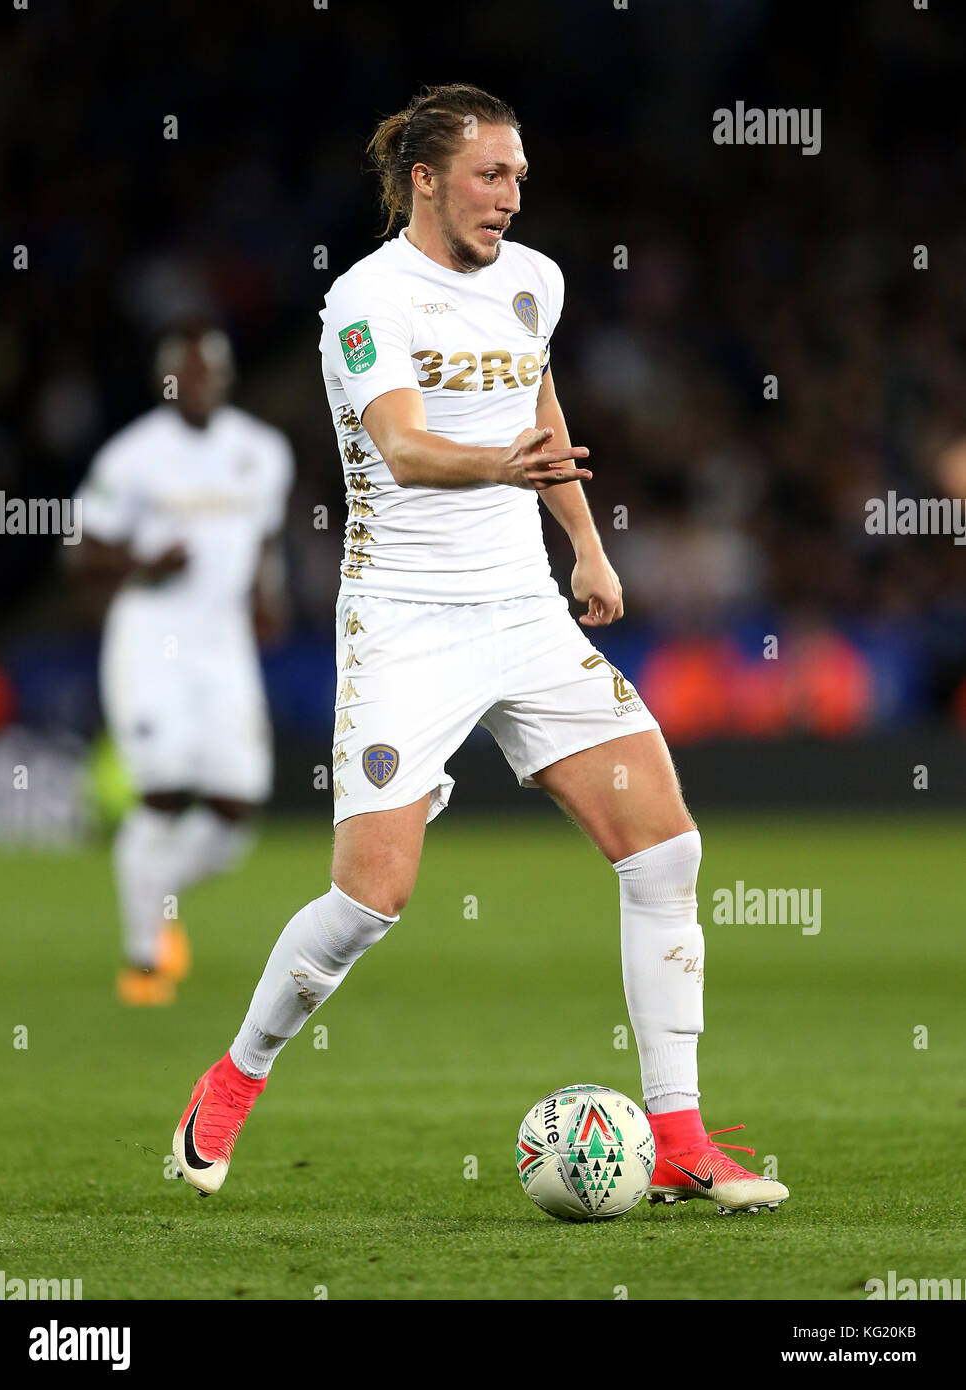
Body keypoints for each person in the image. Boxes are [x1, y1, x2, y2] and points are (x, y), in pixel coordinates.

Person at [172, 85, 788, 1215]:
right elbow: (403, 448)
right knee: (369, 900)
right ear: (424, 177)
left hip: (523, 611)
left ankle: (684, 1139)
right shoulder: (365, 299)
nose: (510, 198)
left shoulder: (533, 280)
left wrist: (586, 551)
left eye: (518, 179)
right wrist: (496, 468)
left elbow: (539, 410)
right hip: (406, 624)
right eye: (489, 176)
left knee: (664, 852)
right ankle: (232, 1078)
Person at [75, 321, 294, 1006]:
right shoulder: (132, 457)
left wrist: (267, 597)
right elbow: (83, 547)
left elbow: (262, 538)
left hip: (222, 640)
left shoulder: (261, 452)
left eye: (211, 375)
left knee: (236, 806)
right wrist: (145, 561)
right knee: (164, 789)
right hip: (150, 635)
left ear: (226, 379)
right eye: (188, 375)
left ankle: (153, 888)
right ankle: (145, 958)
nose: (200, 386)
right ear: (166, 381)